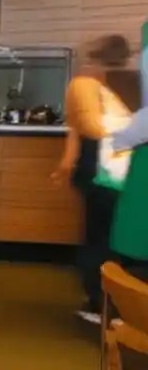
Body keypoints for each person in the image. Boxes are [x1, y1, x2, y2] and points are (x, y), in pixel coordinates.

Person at [54, 34, 132, 323]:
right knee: (106, 237)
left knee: (100, 237)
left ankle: (104, 303)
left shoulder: (92, 87)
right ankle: (108, 304)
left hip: (103, 173)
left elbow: (81, 129)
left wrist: (67, 165)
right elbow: (83, 128)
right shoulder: (104, 88)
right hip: (111, 175)